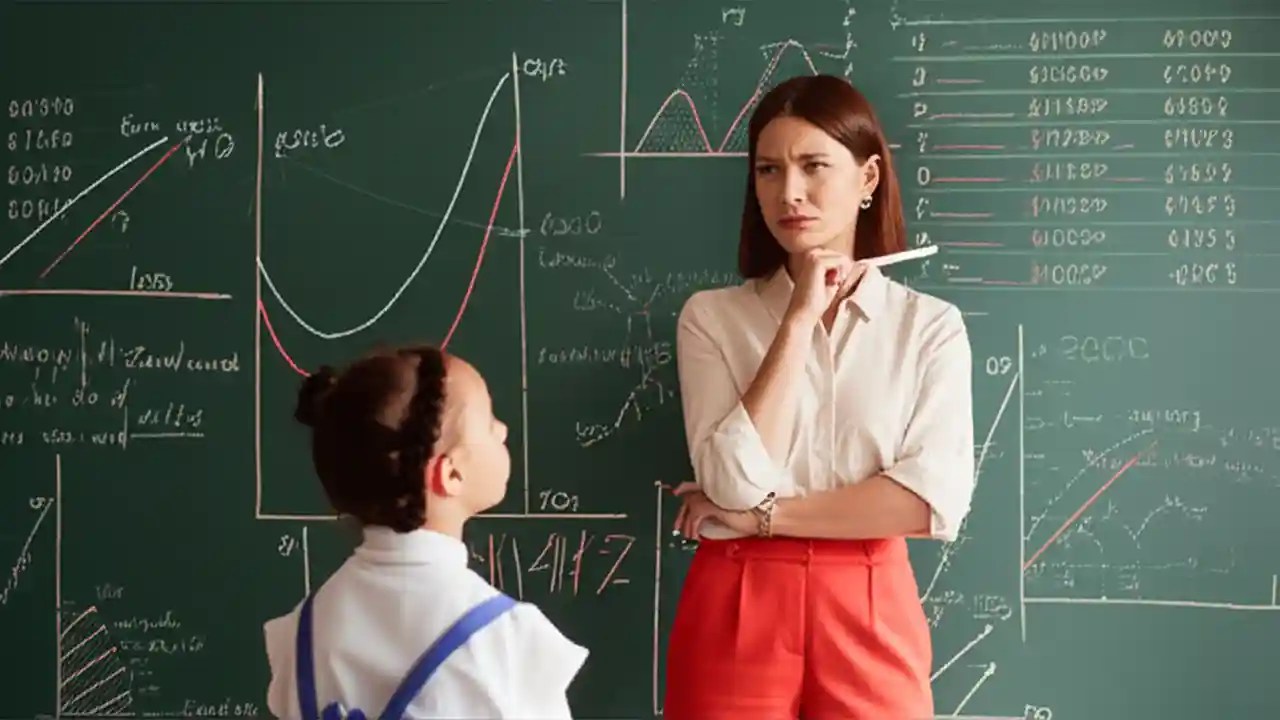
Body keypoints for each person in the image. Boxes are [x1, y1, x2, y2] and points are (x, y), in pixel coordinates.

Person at [663, 74, 975, 719]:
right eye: (768, 170)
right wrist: (799, 318)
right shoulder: (711, 318)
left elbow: (927, 502)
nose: (789, 193)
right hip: (737, 600)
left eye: (813, 166)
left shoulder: (929, 327)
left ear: (868, 178)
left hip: (871, 598)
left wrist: (760, 519)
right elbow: (731, 482)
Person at [262, 344, 588, 719]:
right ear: (450, 474)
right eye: (489, 422)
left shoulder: (301, 634)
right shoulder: (507, 642)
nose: (503, 430)